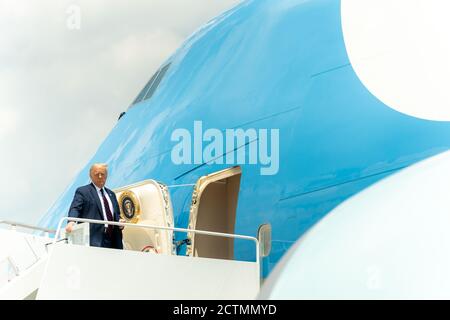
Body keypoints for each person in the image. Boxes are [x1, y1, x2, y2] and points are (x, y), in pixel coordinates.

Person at [66, 163, 125, 249]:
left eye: (103, 174)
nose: (100, 177)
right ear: (91, 176)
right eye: (97, 174)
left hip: (114, 239)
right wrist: (71, 221)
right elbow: (75, 208)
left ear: (106, 176)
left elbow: (116, 214)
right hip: (95, 239)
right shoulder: (83, 191)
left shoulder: (111, 194)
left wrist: (120, 221)